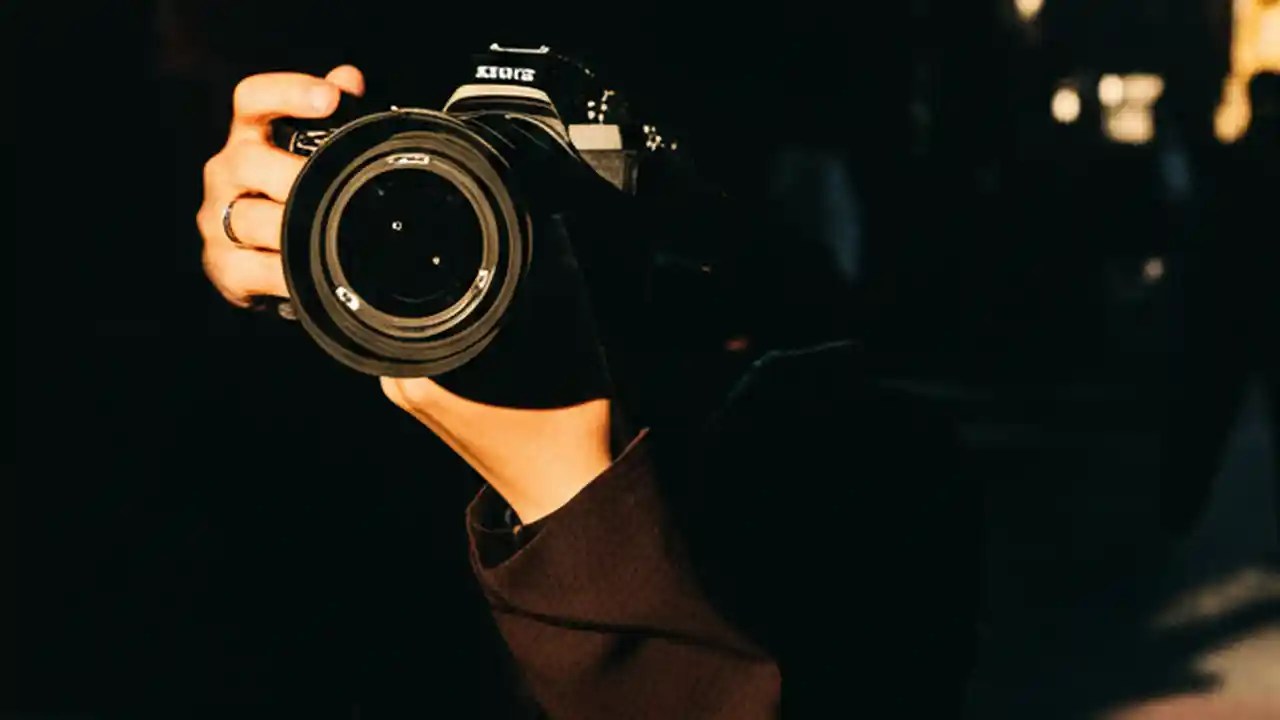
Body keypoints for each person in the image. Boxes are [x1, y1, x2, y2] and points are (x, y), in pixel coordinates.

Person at [195, 66, 982, 717]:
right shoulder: (317, 444)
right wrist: (285, 256)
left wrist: (568, 493)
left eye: (576, 168)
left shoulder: (855, 464)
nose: (464, 231)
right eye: (443, 183)